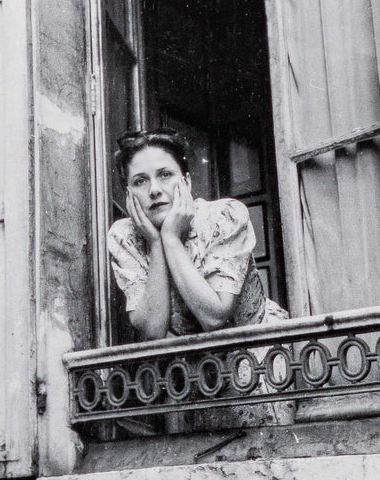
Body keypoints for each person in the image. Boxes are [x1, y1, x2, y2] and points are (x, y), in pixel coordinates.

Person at [108, 128, 288, 340]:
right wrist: (156, 243)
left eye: (165, 175)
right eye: (140, 181)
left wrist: (171, 238)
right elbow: (152, 332)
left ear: (187, 182)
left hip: (258, 351)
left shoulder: (224, 216)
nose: (154, 190)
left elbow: (214, 318)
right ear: (128, 193)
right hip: (195, 366)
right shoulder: (124, 236)